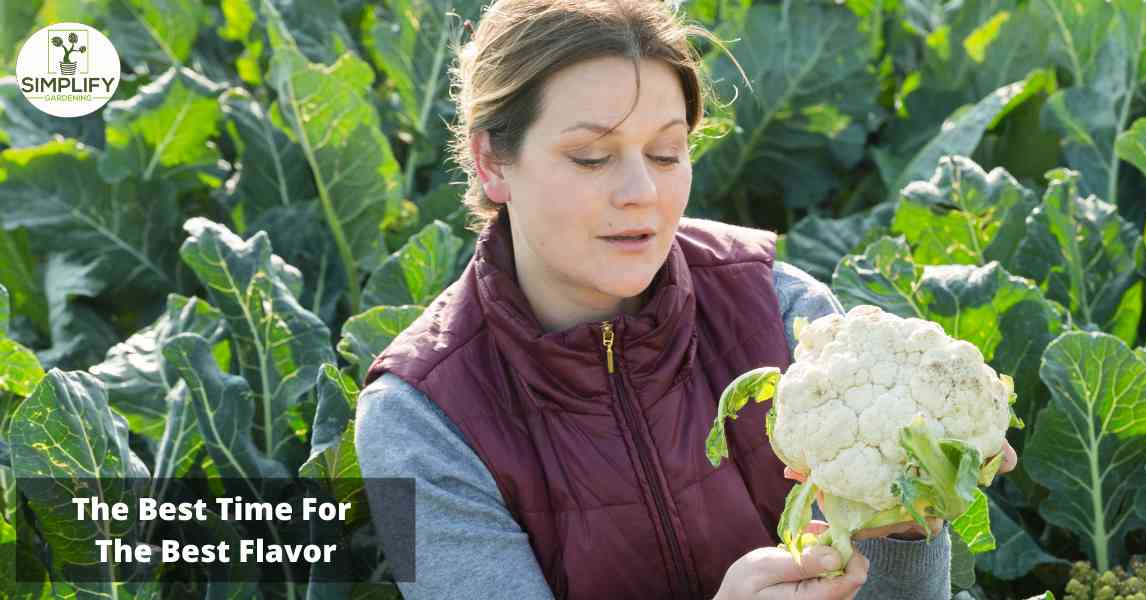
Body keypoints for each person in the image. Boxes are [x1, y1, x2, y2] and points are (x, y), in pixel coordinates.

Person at [355, 1, 1017, 599]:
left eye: (668, 152)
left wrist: (904, 525)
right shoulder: (415, 419)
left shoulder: (787, 314)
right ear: (491, 163)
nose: (640, 189)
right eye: (591, 156)